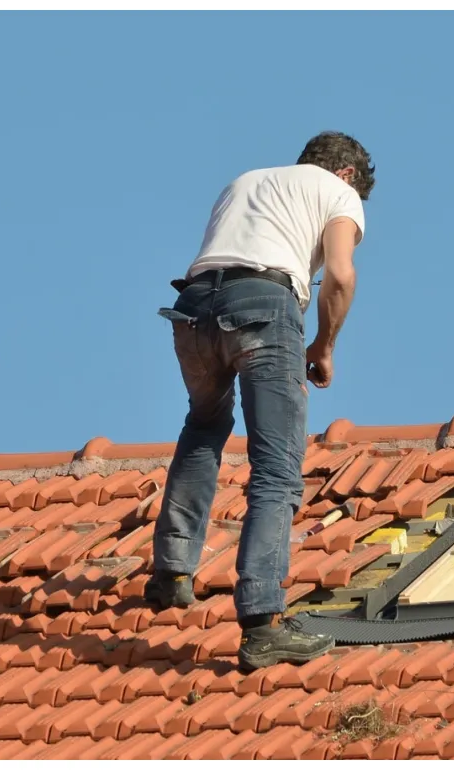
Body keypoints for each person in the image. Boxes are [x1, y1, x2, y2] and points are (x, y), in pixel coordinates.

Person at [145, 131, 374, 672]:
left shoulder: (244, 182)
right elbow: (339, 275)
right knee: (276, 468)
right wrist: (323, 345)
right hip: (265, 308)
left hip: (194, 309)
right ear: (346, 175)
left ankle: (172, 572)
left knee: (204, 426)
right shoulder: (339, 193)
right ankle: (263, 623)